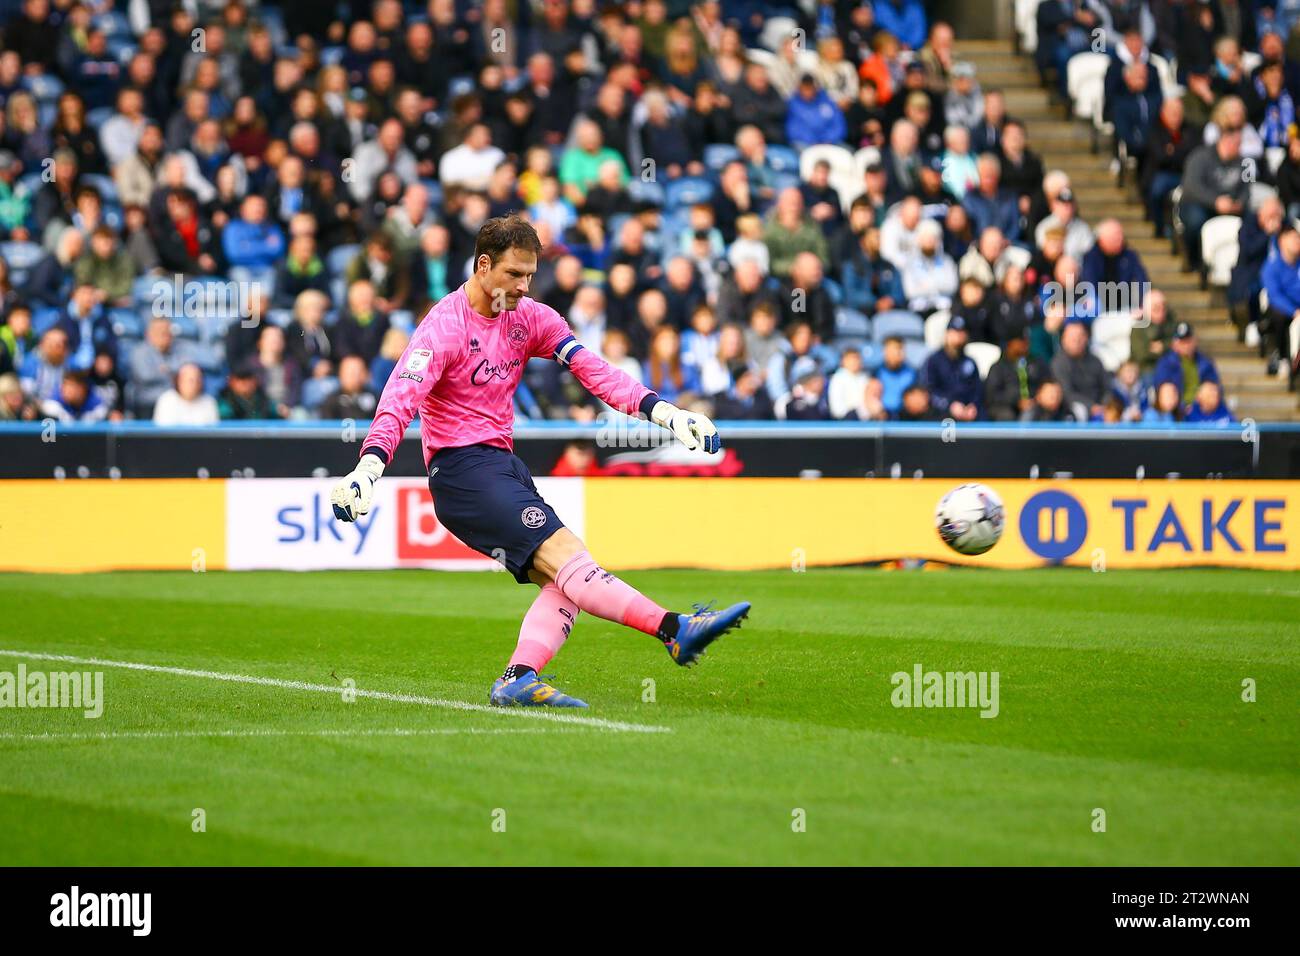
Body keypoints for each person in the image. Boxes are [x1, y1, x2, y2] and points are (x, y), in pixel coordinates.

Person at [328, 215, 750, 709]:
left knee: (568, 576)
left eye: (530, 275)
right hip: (462, 473)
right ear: (483, 266)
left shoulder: (530, 317)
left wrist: (667, 413)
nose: (524, 287)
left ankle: (519, 678)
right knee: (570, 557)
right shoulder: (441, 329)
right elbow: (399, 399)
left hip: (502, 466)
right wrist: (369, 467)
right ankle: (676, 629)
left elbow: (596, 372)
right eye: (513, 275)